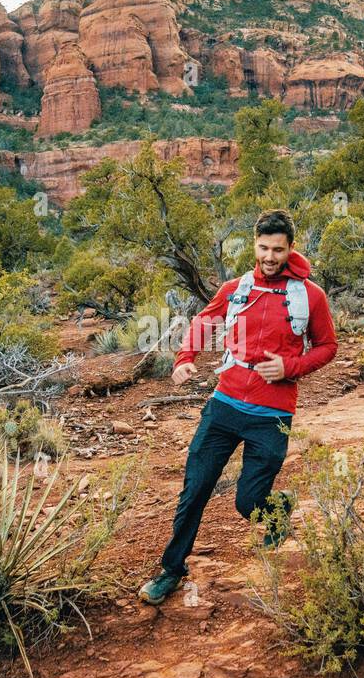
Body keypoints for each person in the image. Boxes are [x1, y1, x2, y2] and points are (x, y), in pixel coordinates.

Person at [138, 209, 338, 605]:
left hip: (272, 414)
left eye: (277, 249)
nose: (269, 256)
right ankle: (172, 570)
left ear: (290, 248)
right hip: (224, 406)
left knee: (248, 502)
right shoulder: (237, 288)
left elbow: (328, 347)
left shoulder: (310, 296)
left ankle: (276, 510)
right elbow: (204, 323)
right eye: (263, 247)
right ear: (254, 245)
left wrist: (290, 366)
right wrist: (184, 358)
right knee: (194, 491)